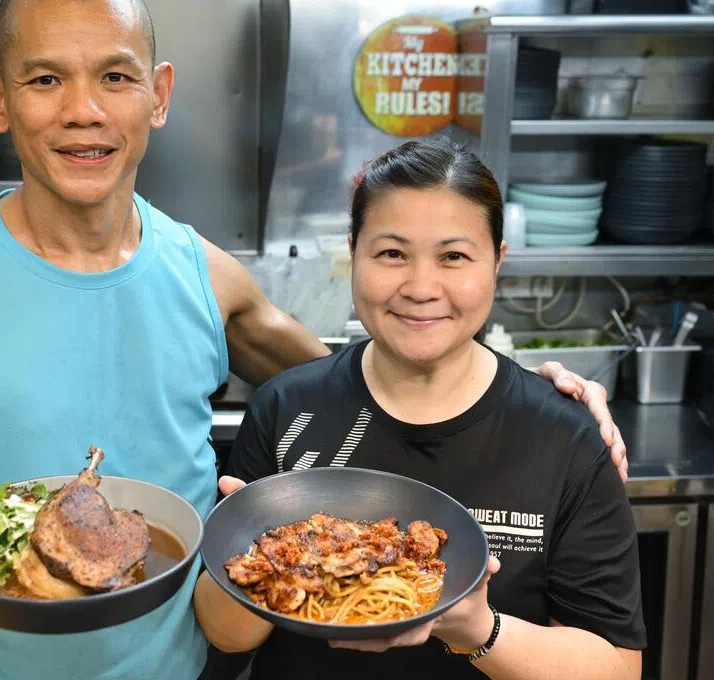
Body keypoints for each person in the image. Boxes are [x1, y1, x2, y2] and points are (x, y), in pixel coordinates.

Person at [0, 0, 627, 680]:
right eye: (46, 79)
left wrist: (530, 397)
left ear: (159, 95)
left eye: (116, 77)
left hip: (199, 667)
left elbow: (370, 384)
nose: (84, 110)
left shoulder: (204, 275)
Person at [194, 137, 645, 679]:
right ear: (354, 253)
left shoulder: (565, 436)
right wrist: (257, 548)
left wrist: (478, 630)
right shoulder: (285, 407)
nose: (421, 288)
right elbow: (225, 636)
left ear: (497, 262)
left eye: (454, 256)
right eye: (392, 254)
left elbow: (617, 667)